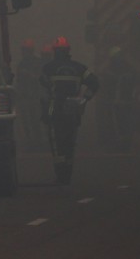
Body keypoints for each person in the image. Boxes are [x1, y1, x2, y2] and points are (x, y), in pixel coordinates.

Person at [38, 37, 99, 184]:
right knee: (70, 142)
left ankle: (61, 175)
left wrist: (44, 113)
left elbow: (42, 89)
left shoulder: (48, 68)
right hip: (73, 109)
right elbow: (94, 83)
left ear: (55, 51)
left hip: (55, 108)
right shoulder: (79, 68)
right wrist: (84, 99)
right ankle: (67, 174)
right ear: (68, 51)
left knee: (56, 142)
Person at [13, 39, 43, 153]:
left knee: (35, 119)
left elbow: (40, 79)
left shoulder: (37, 63)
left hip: (35, 96)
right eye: (23, 50)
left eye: (26, 50)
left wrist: (30, 76)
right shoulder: (22, 64)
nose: (24, 52)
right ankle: (30, 142)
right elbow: (19, 81)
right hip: (24, 96)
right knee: (26, 120)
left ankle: (38, 142)